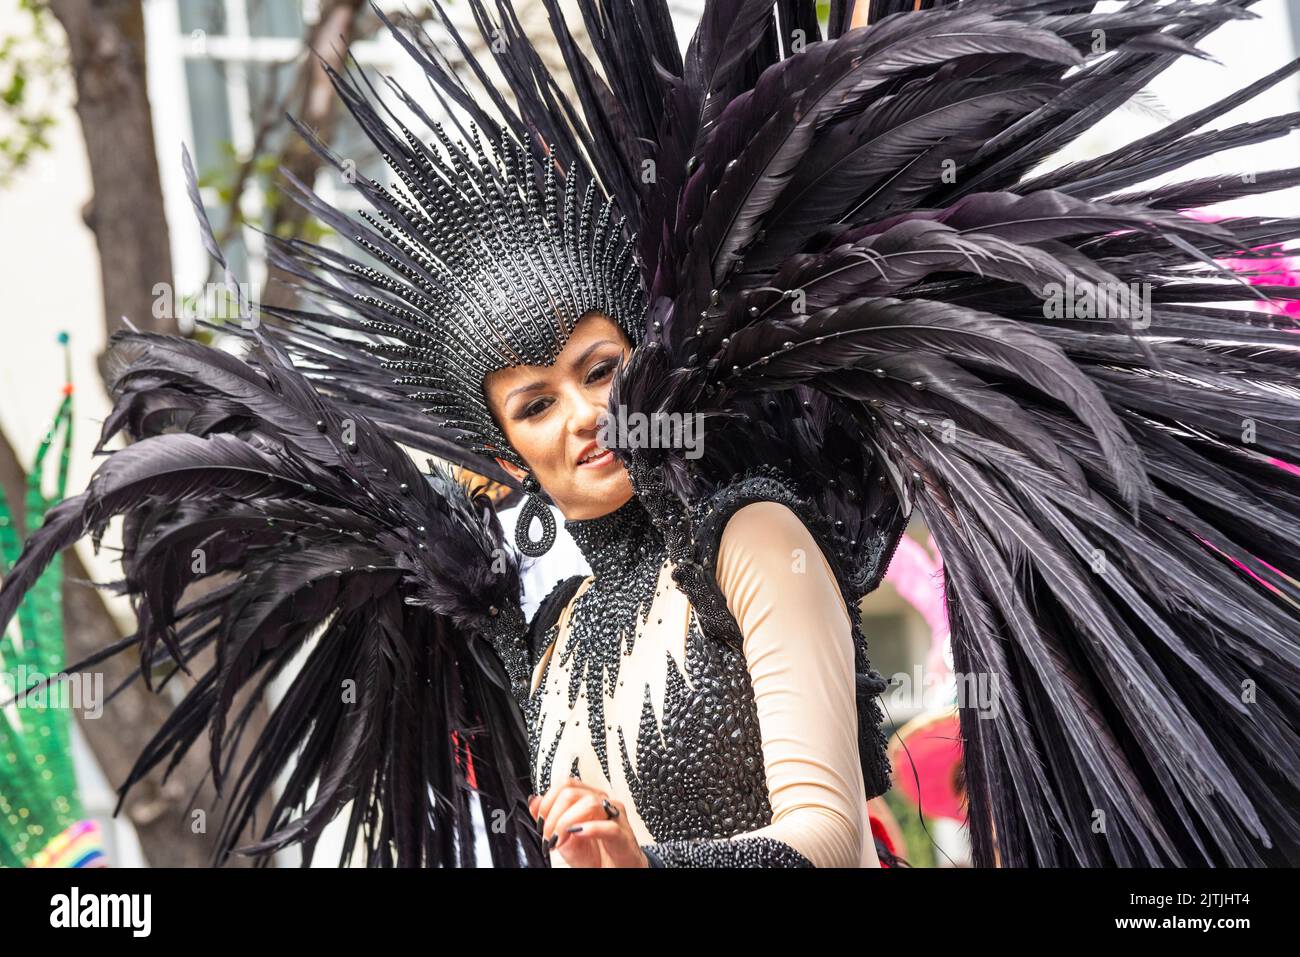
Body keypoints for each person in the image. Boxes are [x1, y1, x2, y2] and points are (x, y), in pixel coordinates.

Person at [2, 0, 1300, 869]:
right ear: (499, 449)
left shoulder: (749, 533)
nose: (583, 416)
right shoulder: (545, 641)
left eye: (597, 368)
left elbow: (828, 836)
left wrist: (647, 859)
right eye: (535, 401)